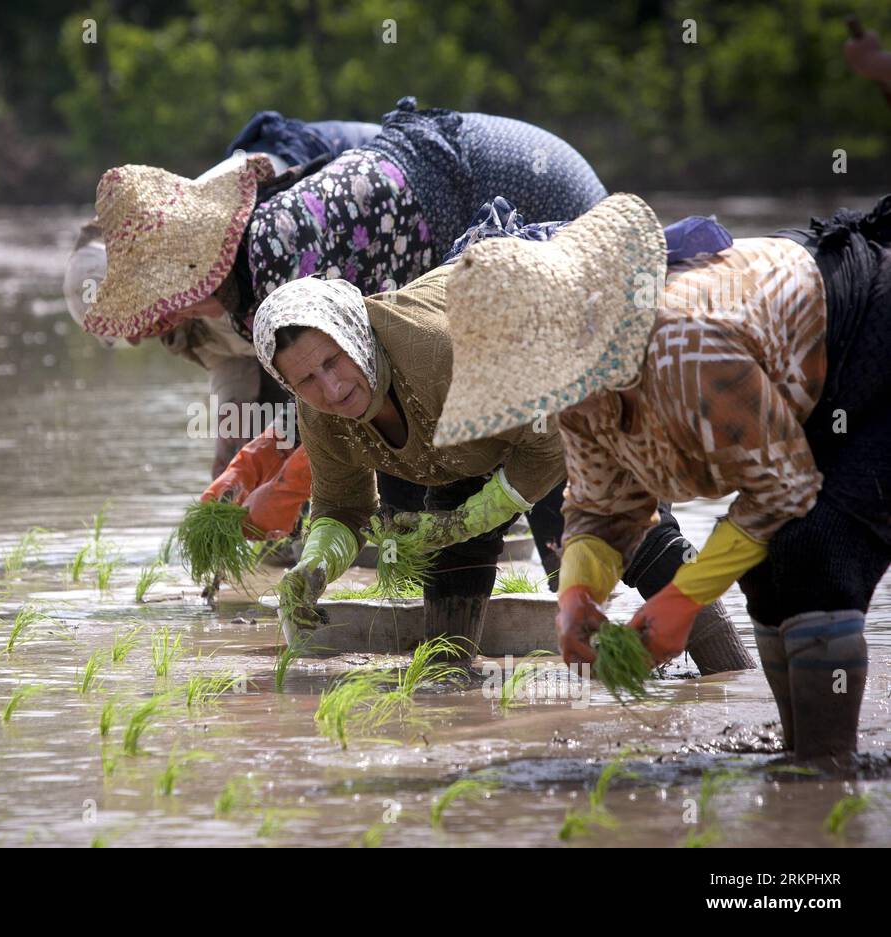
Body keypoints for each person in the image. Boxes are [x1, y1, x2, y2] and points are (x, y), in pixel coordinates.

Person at [432, 191, 891, 764]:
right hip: (798, 382)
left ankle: (826, 775)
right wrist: (575, 597)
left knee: (812, 552)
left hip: (868, 343)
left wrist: (683, 601)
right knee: (765, 573)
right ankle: (800, 761)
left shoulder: (680, 346)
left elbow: (782, 487)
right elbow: (602, 506)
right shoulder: (576, 392)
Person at [251, 257, 753, 675]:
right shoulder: (319, 413)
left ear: (352, 334)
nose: (332, 390)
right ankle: (458, 733)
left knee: (641, 545)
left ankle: (734, 682)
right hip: (464, 444)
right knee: (447, 621)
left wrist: (470, 517)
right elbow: (344, 505)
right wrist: (313, 568)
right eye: (306, 381)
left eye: (333, 362)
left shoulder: (435, 351)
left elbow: (551, 436)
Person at [79, 97, 608, 475]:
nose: (149, 327)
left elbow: (368, 380)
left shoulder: (277, 252)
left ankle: (625, 596)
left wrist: (287, 481)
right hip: (460, 219)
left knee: (573, 423)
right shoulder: (241, 289)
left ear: (192, 271)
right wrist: (254, 462)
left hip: (518, 189)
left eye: (154, 304)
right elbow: (318, 394)